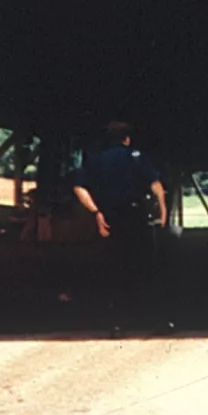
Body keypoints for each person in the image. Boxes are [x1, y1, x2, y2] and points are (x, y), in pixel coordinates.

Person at [69, 121, 169, 330]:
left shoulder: (95, 161)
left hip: (109, 217)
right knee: (146, 266)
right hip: (137, 216)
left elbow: (79, 188)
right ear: (127, 139)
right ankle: (155, 319)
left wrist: (96, 212)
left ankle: (115, 322)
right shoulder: (137, 157)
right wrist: (162, 210)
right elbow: (156, 185)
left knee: (114, 267)